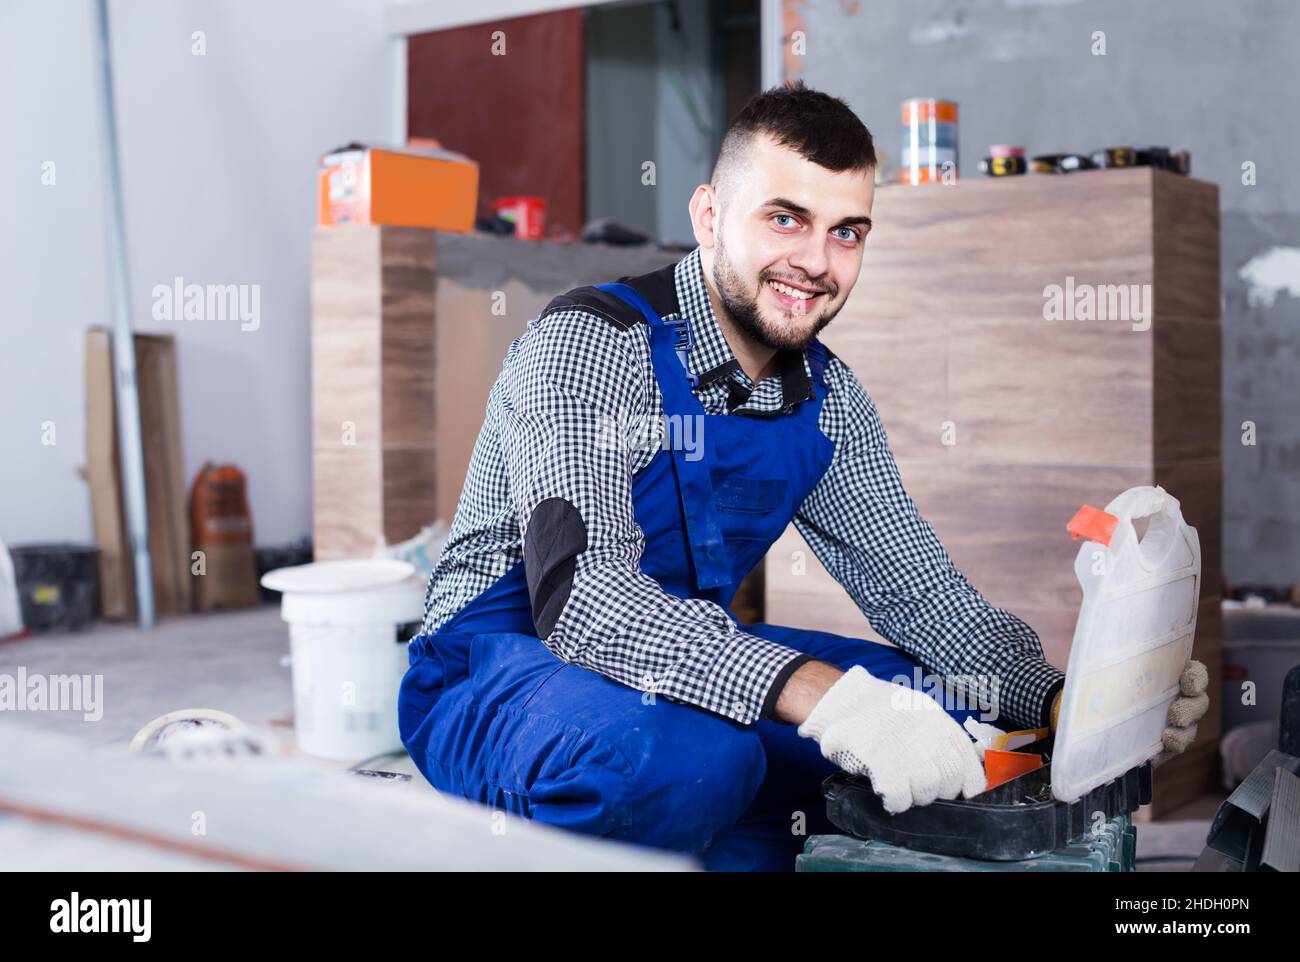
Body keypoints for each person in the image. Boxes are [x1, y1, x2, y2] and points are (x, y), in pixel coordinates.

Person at [397, 81, 1207, 871]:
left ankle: (720, 822)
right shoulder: (590, 343)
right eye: (786, 219)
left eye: (847, 232)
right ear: (709, 215)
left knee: (950, 716)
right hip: (498, 666)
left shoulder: (828, 401)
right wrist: (820, 695)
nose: (817, 263)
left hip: (677, 658)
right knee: (685, 758)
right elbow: (584, 599)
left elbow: (923, 596)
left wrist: (1070, 705)